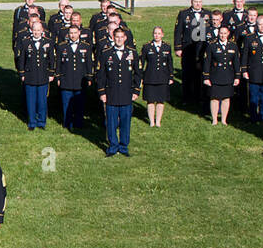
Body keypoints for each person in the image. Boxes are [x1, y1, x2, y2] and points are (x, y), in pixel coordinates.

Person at [97, 27, 140, 156]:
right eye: (117, 37)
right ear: (113, 38)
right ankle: (113, 146)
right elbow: (101, 75)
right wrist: (102, 92)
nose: (119, 39)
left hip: (127, 93)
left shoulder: (132, 53)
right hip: (111, 93)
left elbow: (138, 73)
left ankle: (123, 146)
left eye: (121, 37)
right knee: (111, 121)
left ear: (125, 38)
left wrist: (136, 91)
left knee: (126, 121)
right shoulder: (106, 53)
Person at [15, 19, 54, 130]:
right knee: (31, 101)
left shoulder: (48, 42)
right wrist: (22, 73)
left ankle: (41, 122)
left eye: (38, 30)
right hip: (30, 76)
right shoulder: (26, 42)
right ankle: (32, 122)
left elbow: (52, 59)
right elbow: (22, 59)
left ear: (42, 30)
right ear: (31, 30)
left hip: (43, 75)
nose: (36, 32)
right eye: (34, 30)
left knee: (42, 101)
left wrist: (51, 73)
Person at [173, 0, 210, 108]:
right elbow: (178, 32)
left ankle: (199, 96)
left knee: (200, 73)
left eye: (199, 2)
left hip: (202, 49)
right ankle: (186, 97)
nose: (198, 4)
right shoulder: (184, 14)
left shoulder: (208, 14)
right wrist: (178, 48)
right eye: (195, 1)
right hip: (187, 49)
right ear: (191, 2)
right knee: (187, 73)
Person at [54, 24, 93, 131]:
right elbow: (58, 64)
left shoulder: (86, 46)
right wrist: (58, 78)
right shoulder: (62, 46)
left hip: (80, 80)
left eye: (75, 33)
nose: (73, 35)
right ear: (68, 34)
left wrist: (89, 78)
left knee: (80, 104)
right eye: (71, 33)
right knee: (66, 104)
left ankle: (79, 123)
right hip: (66, 79)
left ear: (79, 33)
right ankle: (67, 123)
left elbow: (89, 64)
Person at [201, 24, 241, 125]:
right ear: (218, 34)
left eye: (225, 33)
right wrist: (206, 77)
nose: (223, 35)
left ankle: (223, 119)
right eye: (221, 33)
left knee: (226, 98)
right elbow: (207, 62)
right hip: (215, 76)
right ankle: (214, 119)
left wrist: (237, 76)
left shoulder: (233, 46)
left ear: (228, 34)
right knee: (214, 98)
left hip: (228, 76)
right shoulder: (212, 45)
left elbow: (236, 62)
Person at [139, 26, 173, 127]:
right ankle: (151, 121)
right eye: (155, 33)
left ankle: (158, 121)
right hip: (150, 77)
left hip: (163, 77)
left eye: (158, 33)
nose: (156, 35)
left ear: (162, 35)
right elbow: (142, 62)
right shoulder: (147, 47)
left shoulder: (167, 47)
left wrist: (171, 76)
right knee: (150, 100)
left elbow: (169, 62)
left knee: (160, 100)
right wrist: (140, 76)